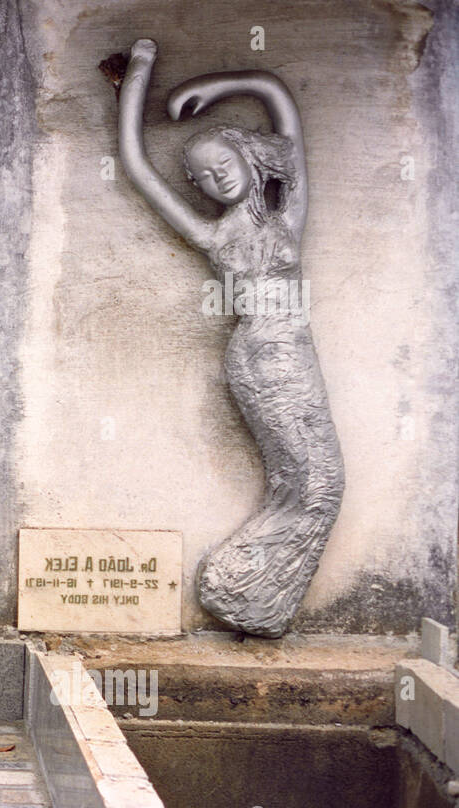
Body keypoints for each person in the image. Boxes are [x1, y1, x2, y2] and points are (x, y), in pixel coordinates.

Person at [117, 39, 344, 637]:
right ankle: (244, 589)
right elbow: (137, 168)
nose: (216, 180)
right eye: (202, 177)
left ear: (249, 158)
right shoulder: (215, 237)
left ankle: (247, 587)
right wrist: (135, 77)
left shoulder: (286, 215)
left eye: (225, 166)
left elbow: (280, 104)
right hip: (267, 358)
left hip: (289, 352)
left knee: (305, 482)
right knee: (319, 482)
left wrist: (222, 85)